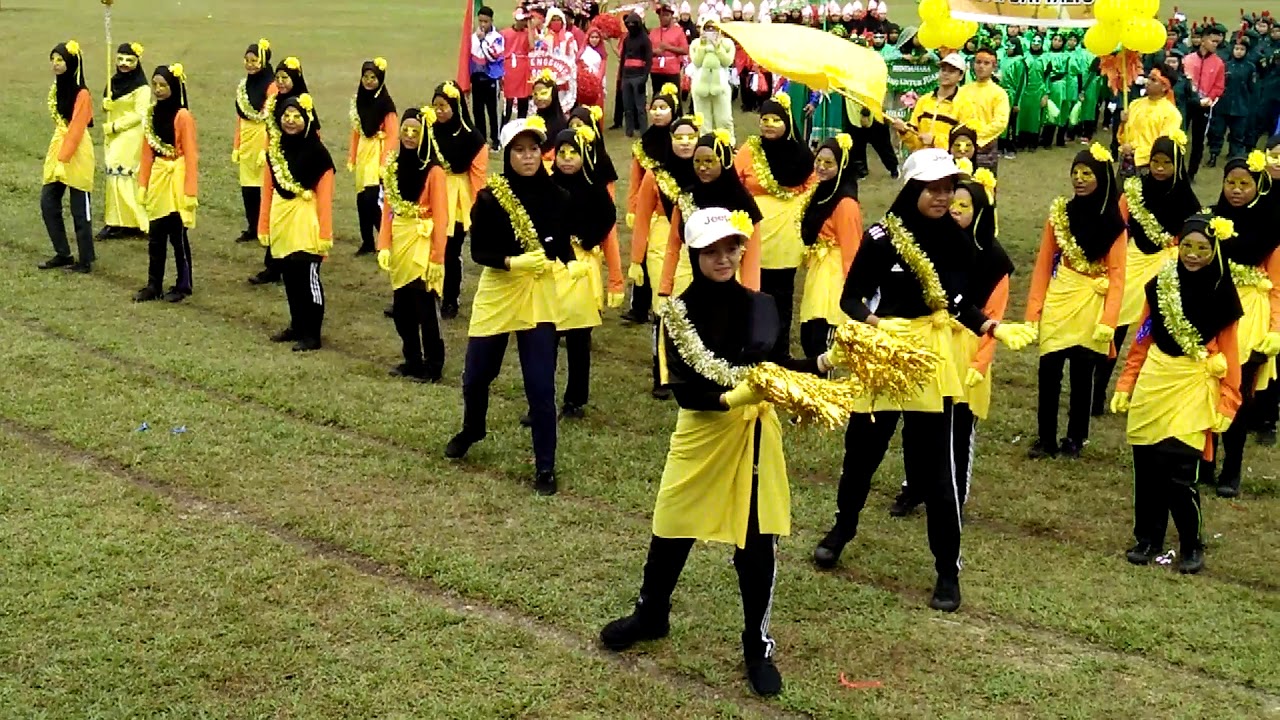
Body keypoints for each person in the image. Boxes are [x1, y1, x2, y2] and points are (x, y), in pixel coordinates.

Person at [600, 206, 842, 698]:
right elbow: (685, 393)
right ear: (694, 252)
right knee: (671, 529)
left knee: (756, 544)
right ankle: (651, 614)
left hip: (753, 440)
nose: (724, 256)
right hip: (701, 435)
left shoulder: (762, 304)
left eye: (731, 247)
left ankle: (757, 645)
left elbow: (777, 369)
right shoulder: (673, 317)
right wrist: (736, 396)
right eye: (712, 249)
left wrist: (821, 363)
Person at [811, 149, 1034, 612]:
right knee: (863, 452)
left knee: (938, 468)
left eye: (948, 188)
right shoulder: (879, 237)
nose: (943, 196)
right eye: (933, 188)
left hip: (932, 359)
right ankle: (842, 527)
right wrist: (875, 324)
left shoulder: (956, 239)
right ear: (912, 189)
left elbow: (955, 301)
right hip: (886, 353)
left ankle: (947, 570)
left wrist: (992, 326)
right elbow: (851, 298)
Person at [445, 117, 572, 496]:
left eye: (534, 149)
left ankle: (546, 466)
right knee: (476, 375)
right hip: (500, 289)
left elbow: (560, 245)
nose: (528, 156)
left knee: (540, 385)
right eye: (520, 150)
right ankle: (473, 428)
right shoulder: (488, 198)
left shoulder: (557, 196)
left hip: (538, 294)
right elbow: (479, 250)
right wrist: (511, 262)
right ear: (508, 154)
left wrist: (571, 263)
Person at [1112, 214, 1242, 575]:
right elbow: (1142, 337)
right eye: (1187, 246)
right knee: (1147, 465)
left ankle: (1191, 543)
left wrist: (1227, 402)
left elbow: (1230, 355)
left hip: (1194, 385)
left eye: (1203, 248)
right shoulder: (1159, 286)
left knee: (1180, 469)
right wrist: (1126, 384)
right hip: (1156, 380)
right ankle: (1148, 539)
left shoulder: (1223, 296)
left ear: (1214, 251)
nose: (1193, 254)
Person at [1025, 146, 1128, 459]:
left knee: (1083, 376)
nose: (1080, 180)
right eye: (1075, 173)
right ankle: (1045, 438)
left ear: (1102, 178)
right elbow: (1044, 263)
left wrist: (1108, 321)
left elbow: (1118, 275)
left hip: (1090, 304)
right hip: (1061, 295)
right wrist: (1034, 310)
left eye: (1087, 174)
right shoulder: (1060, 215)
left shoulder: (1113, 223)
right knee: (1049, 369)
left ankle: (1075, 438)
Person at [1093, 134, 1199, 415]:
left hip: (1166, 267)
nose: (1160, 168)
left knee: (1156, 333)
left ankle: (1142, 394)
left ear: (1177, 164)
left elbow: (1192, 236)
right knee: (1114, 328)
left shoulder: (1187, 199)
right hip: (1132, 262)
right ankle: (1097, 391)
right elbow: (1116, 222)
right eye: (1155, 162)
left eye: (1167, 163)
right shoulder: (1135, 189)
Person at [1212, 153, 1280, 497]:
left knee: (1238, 394)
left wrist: (1274, 330)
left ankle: (1232, 469)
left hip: (1250, 317)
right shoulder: (1210, 220)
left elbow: (1278, 286)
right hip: (1211, 312)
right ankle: (1205, 462)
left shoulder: (1271, 224)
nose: (1236, 190)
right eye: (1230, 183)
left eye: (1244, 184)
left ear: (1258, 186)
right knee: (1206, 388)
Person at [735, 93, 814, 360]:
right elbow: (735, 184)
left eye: (776, 120)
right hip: (754, 233)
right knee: (753, 290)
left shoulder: (802, 155)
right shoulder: (749, 151)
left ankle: (780, 352)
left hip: (785, 237)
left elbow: (812, 189)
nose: (769, 124)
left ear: (788, 122)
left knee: (782, 293)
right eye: (765, 119)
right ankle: (753, 347)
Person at [550, 126, 623, 418]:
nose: (567, 160)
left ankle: (575, 398)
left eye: (573, 153)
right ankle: (542, 396)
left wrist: (587, 238)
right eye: (561, 154)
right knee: (547, 335)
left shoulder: (594, 189)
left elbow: (607, 218)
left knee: (579, 337)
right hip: (553, 265)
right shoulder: (548, 186)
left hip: (582, 268)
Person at [376, 107, 449, 383]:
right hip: (401, 241)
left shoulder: (434, 171)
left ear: (425, 135)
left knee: (425, 309)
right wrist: (384, 244)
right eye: (405, 130)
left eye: (415, 132)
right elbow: (388, 209)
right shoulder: (394, 166)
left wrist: (436, 258)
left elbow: (441, 217)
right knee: (402, 310)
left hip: (423, 243)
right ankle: (412, 359)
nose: (408, 136)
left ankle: (433, 365)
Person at [258, 95, 335, 352]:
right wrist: (264, 226)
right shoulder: (275, 151)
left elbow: (325, 198)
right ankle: (297, 325)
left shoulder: (319, 155)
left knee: (307, 277)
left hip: (307, 223)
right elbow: (267, 191)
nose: (290, 122)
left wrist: (325, 234)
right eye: (286, 116)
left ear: (307, 119)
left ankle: (312, 334)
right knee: (290, 277)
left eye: (297, 117)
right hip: (283, 221)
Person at [631, 115, 701, 398]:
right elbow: (642, 218)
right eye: (678, 138)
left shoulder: (706, 171)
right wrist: (636, 259)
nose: (685, 143)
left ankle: (692, 368)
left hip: (697, 245)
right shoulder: (656, 175)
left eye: (690, 137)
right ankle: (662, 373)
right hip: (662, 245)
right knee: (664, 308)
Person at [659, 131, 763, 299]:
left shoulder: (742, 202)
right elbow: (673, 245)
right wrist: (665, 286)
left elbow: (752, 257)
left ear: (724, 162)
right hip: (688, 282)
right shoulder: (687, 198)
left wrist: (751, 297)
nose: (702, 167)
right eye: (697, 161)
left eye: (709, 161)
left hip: (728, 282)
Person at [248, 55, 319, 287]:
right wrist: (267, 151)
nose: (280, 82)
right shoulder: (274, 101)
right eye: (277, 78)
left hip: (297, 163)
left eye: (285, 78)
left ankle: (292, 258)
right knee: (272, 208)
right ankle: (274, 263)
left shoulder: (302, 103)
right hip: (277, 159)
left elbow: (313, 134)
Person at [134, 63, 198, 304]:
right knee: (156, 233)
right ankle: (154, 284)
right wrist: (143, 184)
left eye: (164, 85)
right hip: (159, 177)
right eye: (156, 85)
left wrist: (190, 191)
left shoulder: (182, 116)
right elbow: (146, 152)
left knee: (178, 234)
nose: (158, 90)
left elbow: (191, 155)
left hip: (177, 178)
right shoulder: (151, 114)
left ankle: (184, 283)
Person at [797, 134, 862, 357]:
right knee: (809, 335)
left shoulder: (845, 204)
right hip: (818, 270)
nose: (821, 167)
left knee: (821, 339)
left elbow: (852, 250)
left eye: (829, 163)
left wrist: (853, 292)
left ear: (842, 166)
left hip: (834, 278)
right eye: (819, 161)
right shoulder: (820, 191)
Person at [623, 86, 680, 324]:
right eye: (654, 108)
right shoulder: (644, 143)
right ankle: (639, 305)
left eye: (663, 108)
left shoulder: (681, 140)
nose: (657, 113)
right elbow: (635, 179)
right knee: (642, 257)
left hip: (670, 212)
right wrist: (632, 208)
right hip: (648, 212)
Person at [432, 80, 488, 320]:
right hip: (431, 192)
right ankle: (427, 292)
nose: (439, 111)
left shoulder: (471, 137)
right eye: (436, 106)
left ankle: (450, 297)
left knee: (450, 250)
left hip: (455, 196)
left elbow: (478, 176)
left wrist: (480, 210)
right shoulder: (429, 129)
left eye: (444, 106)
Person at [40, 40, 96, 274]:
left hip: (77, 152)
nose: (55, 64)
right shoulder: (57, 87)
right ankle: (63, 252)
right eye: (53, 59)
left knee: (79, 209)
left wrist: (64, 159)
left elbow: (76, 128)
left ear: (72, 63)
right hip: (59, 147)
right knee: (48, 201)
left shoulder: (82, 94)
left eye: (60, 60)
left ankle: (85, 259)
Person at [99, 42, 150, 240]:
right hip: (113, 136)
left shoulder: (142, 88)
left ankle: (134, 221)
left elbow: (140, 114)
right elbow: (113, 105)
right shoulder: (114, 83)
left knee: (122, 175)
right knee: (113, 175)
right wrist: (106, 106)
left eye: (129, 60)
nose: (124, 64)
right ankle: (118, 220)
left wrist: (114, 126)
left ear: (137, 62)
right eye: (120, 59)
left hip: (130, 135)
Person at [347, 58, 397, 256]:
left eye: (373, 78)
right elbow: (357, 130)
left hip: (378, 152)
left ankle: (386, 239)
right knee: (361, 200)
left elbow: (393, 134)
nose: (368, 81)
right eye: (365, 77)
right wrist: (352, 156)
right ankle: (367, 241)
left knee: (372, 199)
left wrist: (385, 162)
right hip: (363, 152)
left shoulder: (385, 104)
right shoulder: (359, 100)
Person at [233, 40, 276, 244]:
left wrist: (266, 148)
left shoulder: (272, 86)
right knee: (248, 186)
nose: (250, 64)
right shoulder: (244, 86)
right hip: (247, 140)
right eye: (247, 60)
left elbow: (273, 120)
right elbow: (240, 116)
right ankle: (252, 225)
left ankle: (265, 226)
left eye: (255, 60)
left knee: (265, 185)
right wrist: (236, 144)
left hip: (263, 138)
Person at [1117, 69, 1184, 178]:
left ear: (1164, 87)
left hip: (1149, 166)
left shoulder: (1171, 113)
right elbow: (1124, 136)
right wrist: (1123, 124)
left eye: (1153, 80)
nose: (1147, 82)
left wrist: (1136, 153)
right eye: (1148, 78)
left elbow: (1163, 146)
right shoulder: (1134, 104)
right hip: (1126, 161)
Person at [954, 46, 1011, 174]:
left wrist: (976, 137)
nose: (981, 66)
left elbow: (1000, 123)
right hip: (961, 145)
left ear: (994, 67)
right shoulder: (963, 90)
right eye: (978, 62)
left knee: (984, 186)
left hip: (985, 147)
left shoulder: (999, 93)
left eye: (986, 63)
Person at [892, 52, 964, 152]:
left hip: (948, 163)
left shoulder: (965, 104)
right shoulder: (924, 100)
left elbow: (964, 143)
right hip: (922, 160)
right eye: (943, 70)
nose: (945, 74)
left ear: (960, 76)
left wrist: (935, 140)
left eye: (951, 71)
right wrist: (904, 131)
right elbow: (914, 141)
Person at [1207, 35, 1257, 166]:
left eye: (1242, 49)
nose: (1239, 51)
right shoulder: (1224, 66)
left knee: (1237, 134)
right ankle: (1213, 155)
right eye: (1236, 48)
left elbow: (1252, 88)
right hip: (1223, 105)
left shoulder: (1250, 67)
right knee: (1217, 132)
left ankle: (1235, 157)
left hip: (1240, 106)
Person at [1183, 29, 1225, 179]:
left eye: (1217, 42)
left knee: (1198, 140)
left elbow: (1219, 86)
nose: (1215, 44)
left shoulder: (1218, 63)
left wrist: (1210, 98)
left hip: (1204, 106)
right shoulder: (1188, 59)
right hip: (1186, 104)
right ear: (1203, 40)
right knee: (1179, 136)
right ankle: (1177, 168)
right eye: (1212, 41)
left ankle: (1191, 173)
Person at [689, 17, 736, 143]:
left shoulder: (727, 43)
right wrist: (703, 46)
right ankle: (705, 144)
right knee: (703, 119)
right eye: (707, 28)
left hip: (721, 85)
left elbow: (727, 62)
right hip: (700, 86)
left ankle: (727, 144)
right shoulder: (695, 44)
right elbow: (697, 62)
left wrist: (717, 47)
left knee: (724, 118)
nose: (710, 30)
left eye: (713, 28)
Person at [471, 5, 505, 148]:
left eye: (486, 21)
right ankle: (481, 139)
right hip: (477, 77)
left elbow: (493, 56)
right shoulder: (473, 36)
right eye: (480, 21)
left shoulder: (497, 38)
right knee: (477, 110)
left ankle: (496, 140)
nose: (483, 24)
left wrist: (483, 41)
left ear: (491, 21)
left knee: (492, 110)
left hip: (491, 78)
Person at [620, 12, 653, 137]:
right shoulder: (627, 39)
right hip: (627, 76)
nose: (630, 26)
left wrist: (644, 78)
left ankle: (644, 131)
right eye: (628, 24)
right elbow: (623, 58)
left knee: (640, 108)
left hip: (639, 77)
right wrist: (622, 77)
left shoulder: (645, 39)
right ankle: (629, 130)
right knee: (627, 106)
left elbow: (649, 60)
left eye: (633, 24)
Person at [1015, 35, 1049, 152]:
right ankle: (1021, 142)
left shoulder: (1046, 59)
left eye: (1038, 41)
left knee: (1035, 118)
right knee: (1023, 117)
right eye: (1033, 41)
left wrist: (1046, 94)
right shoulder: (1024, 57)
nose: (1035, 43)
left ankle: (1032, 143)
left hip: (1038, 91)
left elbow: (1047, 77)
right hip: (1025, 92)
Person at [501, 8, 533, 124]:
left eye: (524, 20)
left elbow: (532, 45)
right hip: (509, 68)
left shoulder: (527, 33)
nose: (522, 22)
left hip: (523, 68)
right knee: (508, 102)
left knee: (523, 100)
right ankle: (503, 128)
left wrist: (529, 26)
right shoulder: (505, 33)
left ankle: (521, 126)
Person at [651, 2, 689, 96]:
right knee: (657, 95)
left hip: (671, 70)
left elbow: (685, 50)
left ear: (671, 16)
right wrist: (655, 52)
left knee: (673, 97)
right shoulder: (653, 32)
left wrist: (668, 48)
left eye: (667, 15)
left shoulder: (678, 31)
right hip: (656, 70)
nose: (664, 18)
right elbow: (647, 50)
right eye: (662, 15)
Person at [531, 71, 569, 154]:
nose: (539, 98)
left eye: (544, 93)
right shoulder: (533, 121)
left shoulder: (561, 124)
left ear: (553, 94)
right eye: (535, 94)